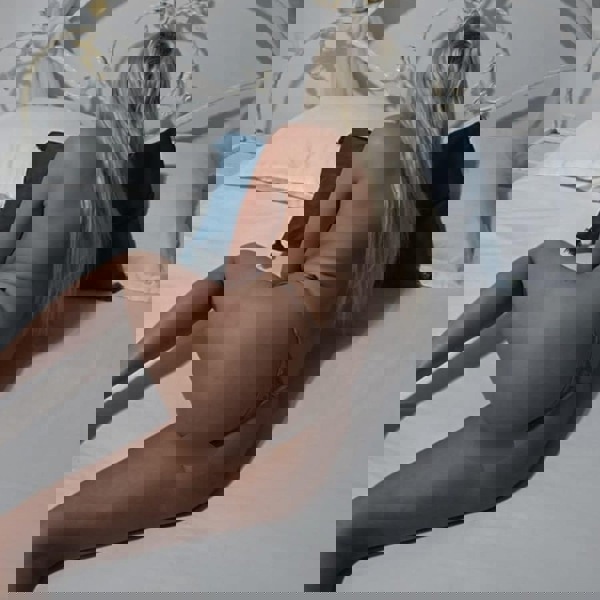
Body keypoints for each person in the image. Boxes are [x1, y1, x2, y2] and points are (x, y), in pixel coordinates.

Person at [2, 8, 480, 591]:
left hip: (265, 282)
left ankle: (37, 548)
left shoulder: (330, 124)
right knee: (201, 449)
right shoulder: (382, 145)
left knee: (205, 439)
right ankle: (36, 553)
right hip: (280, 292)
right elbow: (318, 255)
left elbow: (274, 233)